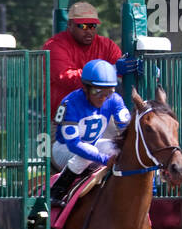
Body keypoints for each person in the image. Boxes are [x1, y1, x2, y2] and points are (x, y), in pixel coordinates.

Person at [48, 59, 131, 207]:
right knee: (88, 151)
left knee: (116, 147)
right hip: (63, 149)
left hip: (91, 144)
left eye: (109, 92)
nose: (103, 98)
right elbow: (74, 145)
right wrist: (104, 159)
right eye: (97, 91)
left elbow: (127, 131)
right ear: (85, 88)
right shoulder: (70, 103)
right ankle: (56, 192)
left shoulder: (115, 100)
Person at [46, 2, 142, 112]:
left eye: (93, 26)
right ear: (69, 24)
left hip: (101, 116)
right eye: (83, 26)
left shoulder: (107, 45)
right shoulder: (54, 45)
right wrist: (110, 70)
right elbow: (65, 77)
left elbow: (120, 69)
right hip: (64, 116)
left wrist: (139, 69)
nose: (89, 31)